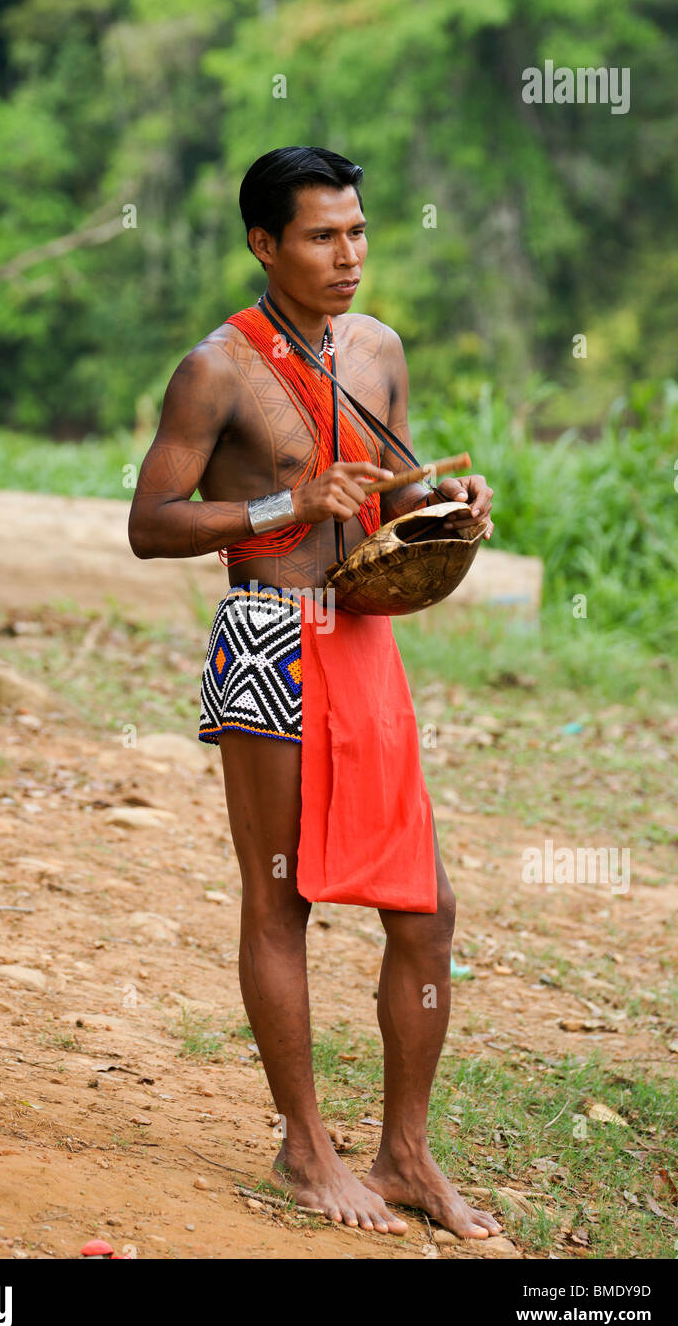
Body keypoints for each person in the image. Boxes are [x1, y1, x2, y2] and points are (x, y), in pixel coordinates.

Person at [128, 146, 499, 1238]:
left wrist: (450, 504)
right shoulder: (217, 369)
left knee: (426, 912)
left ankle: (404, 1154)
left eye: (359, 231)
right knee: (280, 896)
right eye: (323, 236)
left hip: (365, 641)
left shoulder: (379, 349)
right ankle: (304, 1147)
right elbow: (151, 524)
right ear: (263, 244)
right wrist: (280, 504)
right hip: (270, 636)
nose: (350, 255)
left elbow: (400, 484)